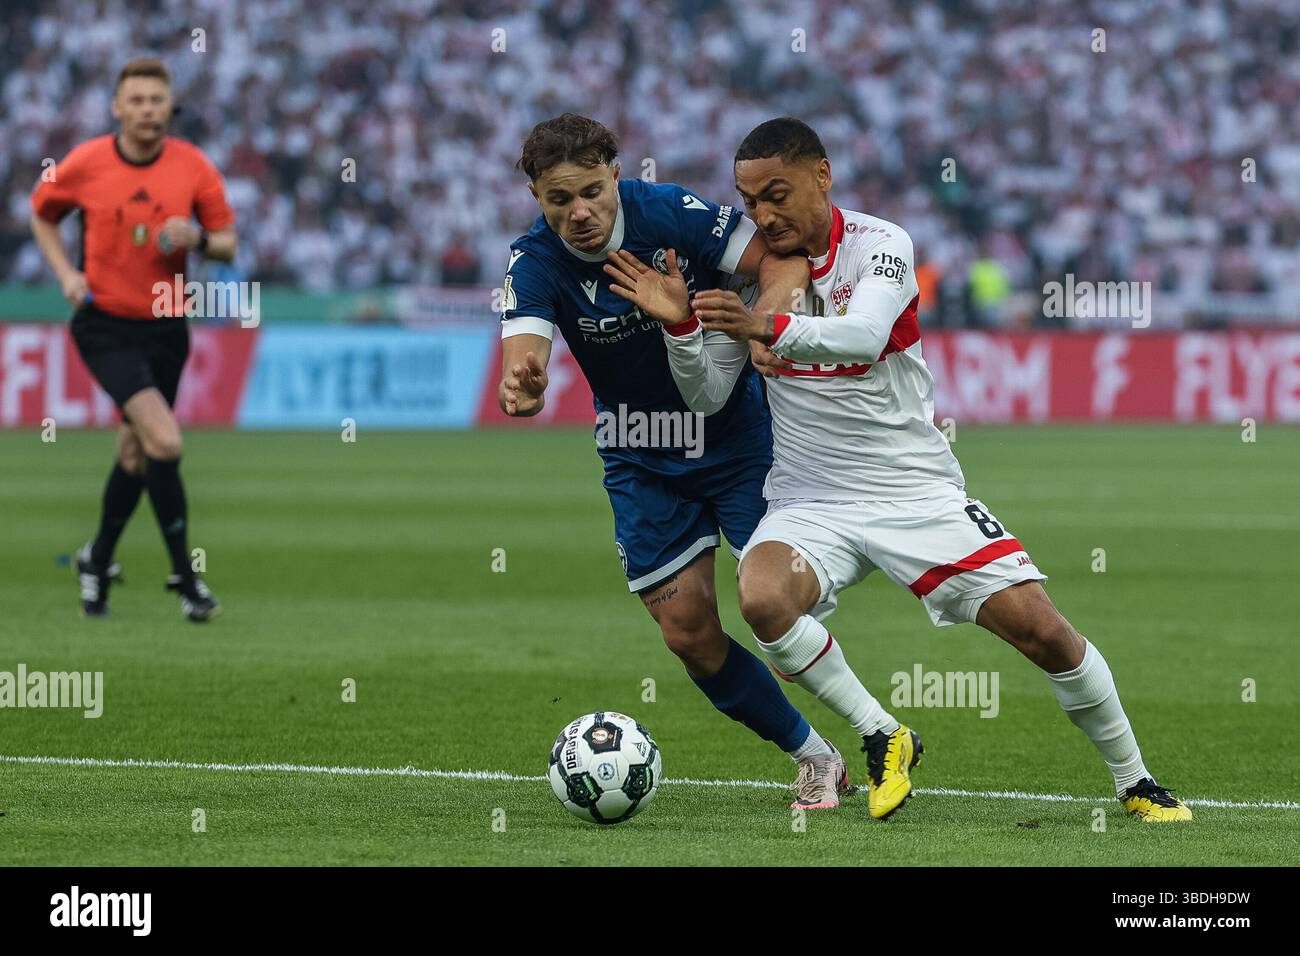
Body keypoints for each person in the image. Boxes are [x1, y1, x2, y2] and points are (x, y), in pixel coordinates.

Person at [606, 116, 1192, 823]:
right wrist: (680, 329)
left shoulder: (881, 245)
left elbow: (865, 334)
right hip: (809, 499)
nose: (763, 215)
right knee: (762, 597)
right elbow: (706, 392)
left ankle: (1135, 781)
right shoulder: (757, 278)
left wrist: (767, 326)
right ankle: (884, 734)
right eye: (750, 200)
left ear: (823, 176)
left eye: (778, 194)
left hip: (913, 490)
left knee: (1043, 631)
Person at [499, 113, 850, 808]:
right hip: (642, 454)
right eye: (558, 200)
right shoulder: (534, 261)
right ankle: (816, 755)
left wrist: (768, 323)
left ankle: (876, 725)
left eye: (591, 193)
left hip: (739, 440)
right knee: (689, 633)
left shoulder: (674, 214)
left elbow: (779, 260)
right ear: (537, 197)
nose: (579, 213)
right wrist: (524, 386)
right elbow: (523, 363)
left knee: (772, 601)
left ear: (616, 177)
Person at [30, 58, 236, 622]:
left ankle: (96, 561)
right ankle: (187, 581)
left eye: (157, 99)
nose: (148, 109)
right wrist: (66, 275)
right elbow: (41, 213)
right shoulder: (86, 163)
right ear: (118, 108)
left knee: (135, 452)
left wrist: (197, 238)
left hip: (168, 327)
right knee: (165, 443)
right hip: (106, 327)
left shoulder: (194, 167)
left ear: (171, 107)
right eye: (137, 100)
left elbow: (228, 244)